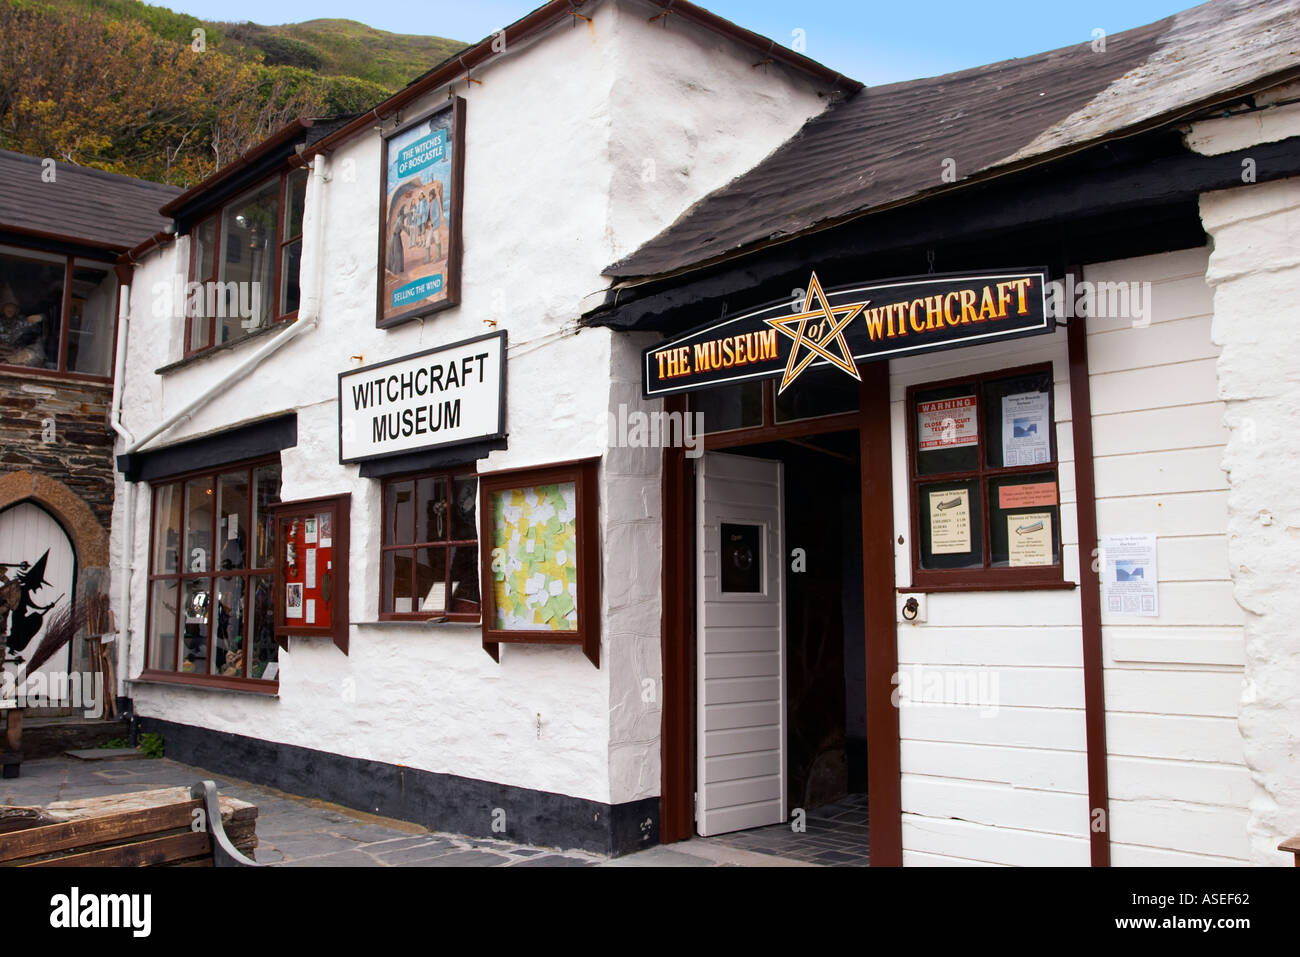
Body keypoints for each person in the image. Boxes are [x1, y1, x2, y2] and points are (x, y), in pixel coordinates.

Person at [0, 284, 44, 367]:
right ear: (2, 309)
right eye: (7, 306)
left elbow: (36, 348)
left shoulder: (24, 324)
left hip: (17, 359)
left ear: (16, 309)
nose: (10, 309)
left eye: (12, 307)